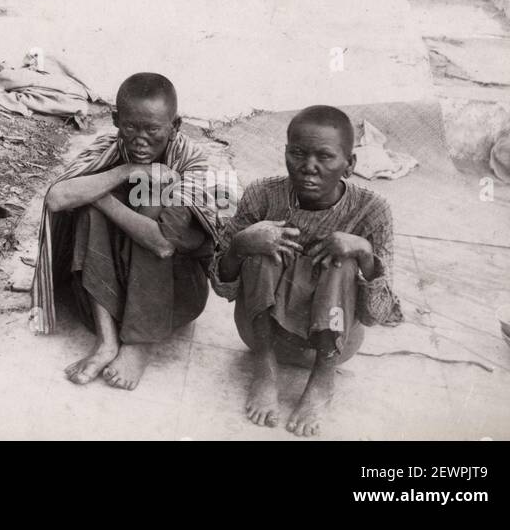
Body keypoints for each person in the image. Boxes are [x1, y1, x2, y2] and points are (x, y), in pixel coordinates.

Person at [211, 104, 401, 437]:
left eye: (325, 157)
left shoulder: (372, 209)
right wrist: (241, 245)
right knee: (262, 245)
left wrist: (365, 252)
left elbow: (377, 314)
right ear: (285, 154)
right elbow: (223, 288)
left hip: (332, 343)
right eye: (297, 154)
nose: (308, 168)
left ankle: (322, 382)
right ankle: (265, 373)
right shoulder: (263, 194)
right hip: (261, 336)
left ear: (349, 164)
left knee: (343, 261)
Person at [32, 72, 219, 391]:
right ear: (117, 120)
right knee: (92, 203)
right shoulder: (109, 148)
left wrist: (102, 197)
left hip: (175, 298)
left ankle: (140, 343)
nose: (140, 138)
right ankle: (107, 341)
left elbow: (162, 244)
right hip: (110, 292)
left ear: (175, 126)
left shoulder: (194, 162)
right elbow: (56, 198)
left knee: (149, 195)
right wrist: (126, 171)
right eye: (131, 127)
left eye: (153, 129)